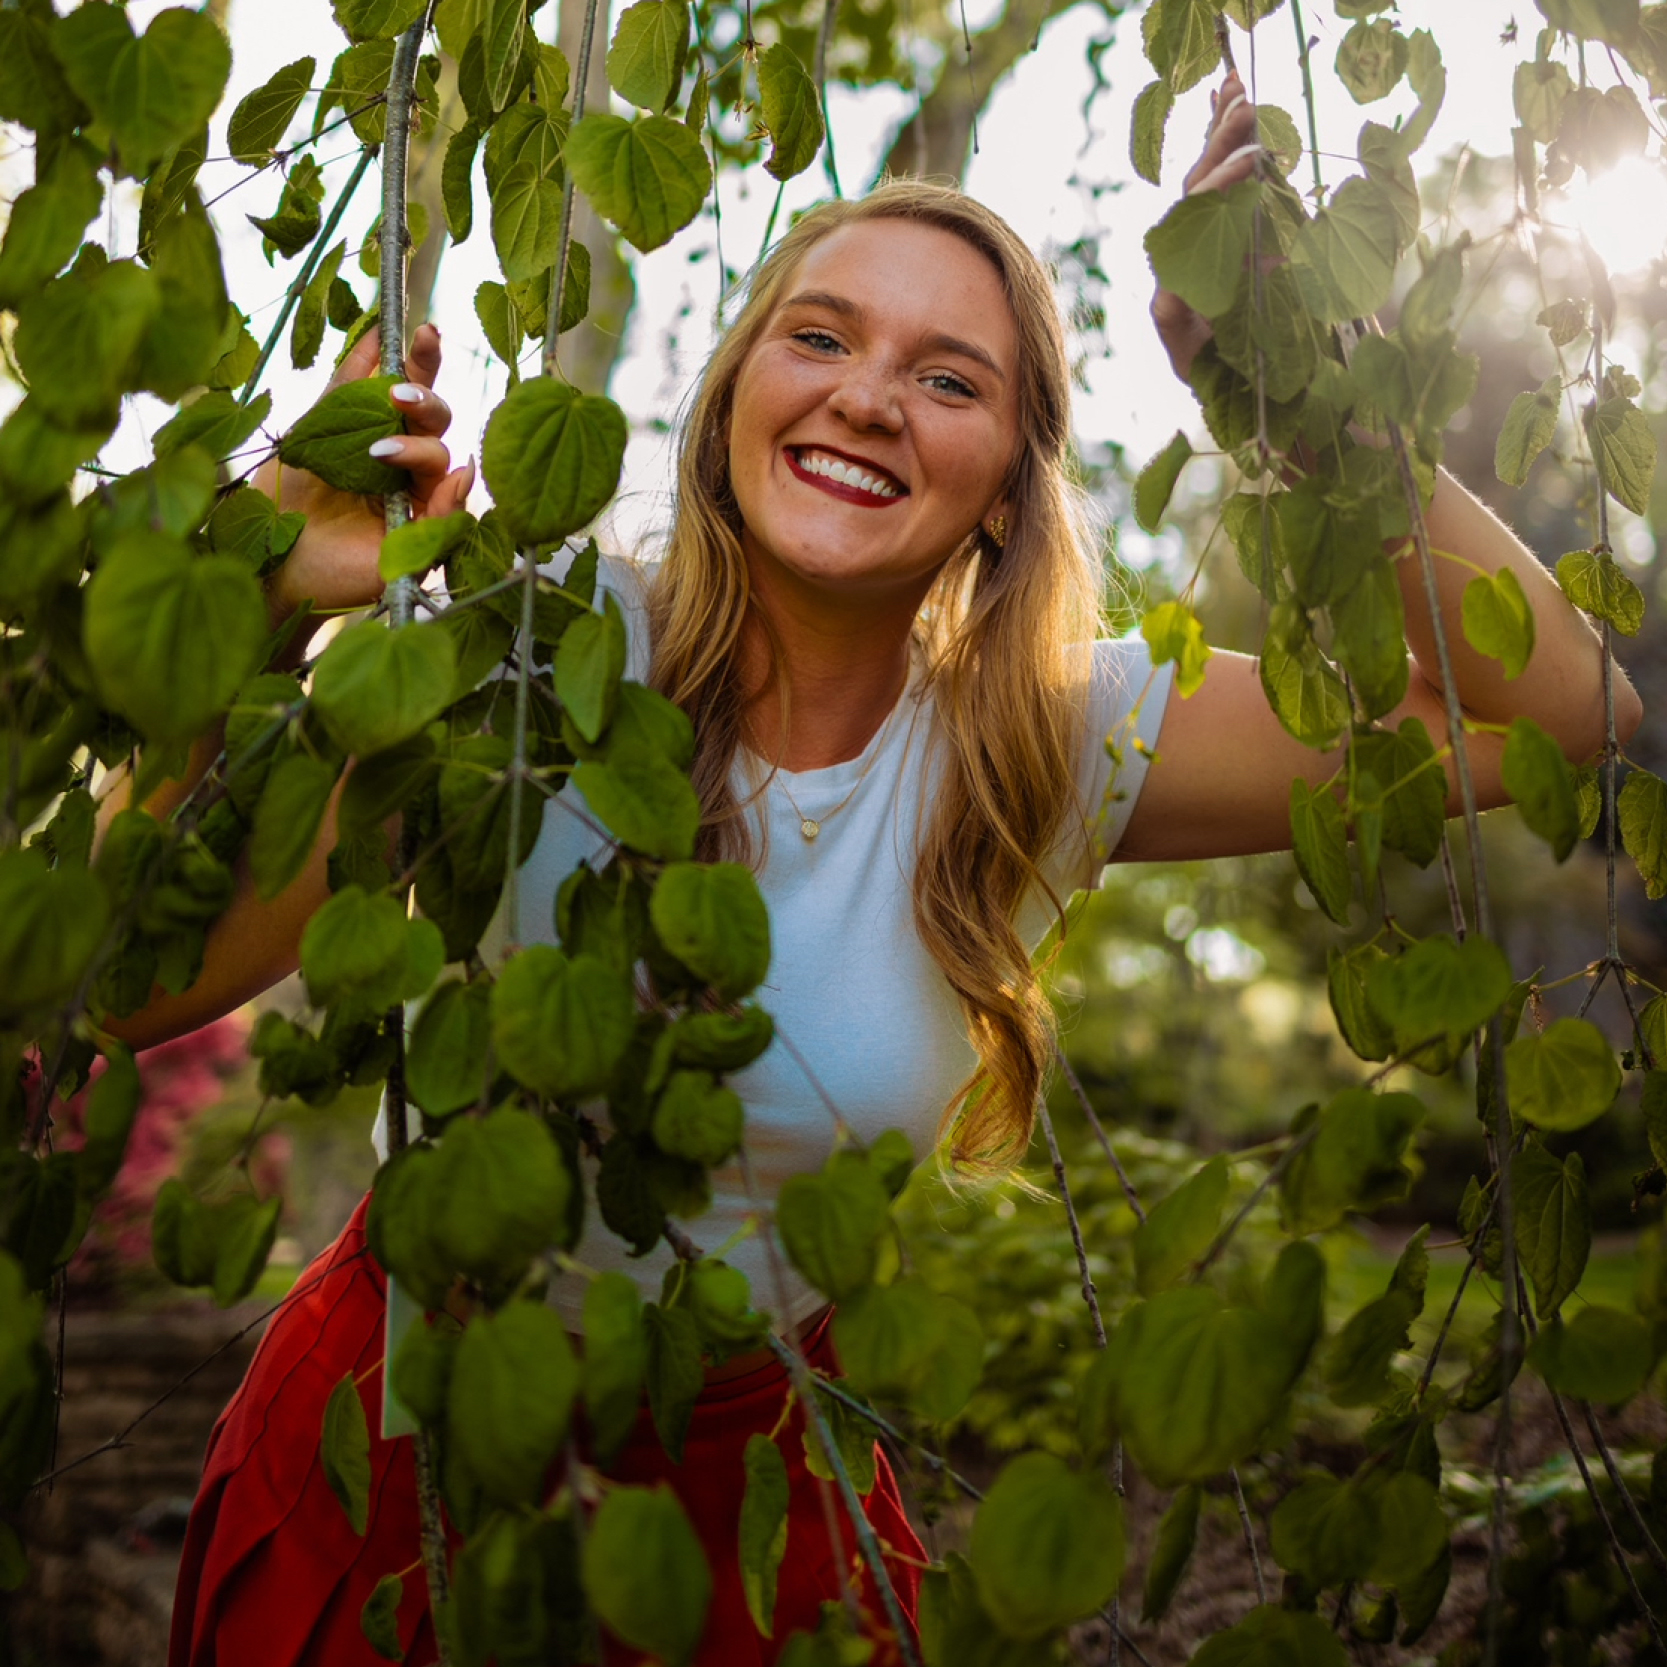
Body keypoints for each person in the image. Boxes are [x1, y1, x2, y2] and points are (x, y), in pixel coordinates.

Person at [151, 72, 1640, 1667]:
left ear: (1008, 482)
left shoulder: (1044, 744)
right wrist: (269, 593)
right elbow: (141, 989)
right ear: (733, 395)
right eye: (820, 337)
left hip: (752, 1509)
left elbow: (1566, 717)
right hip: (394, 1456)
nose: (868, 399)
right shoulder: (538, 649)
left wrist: (1296, 400)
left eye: (948, 378)